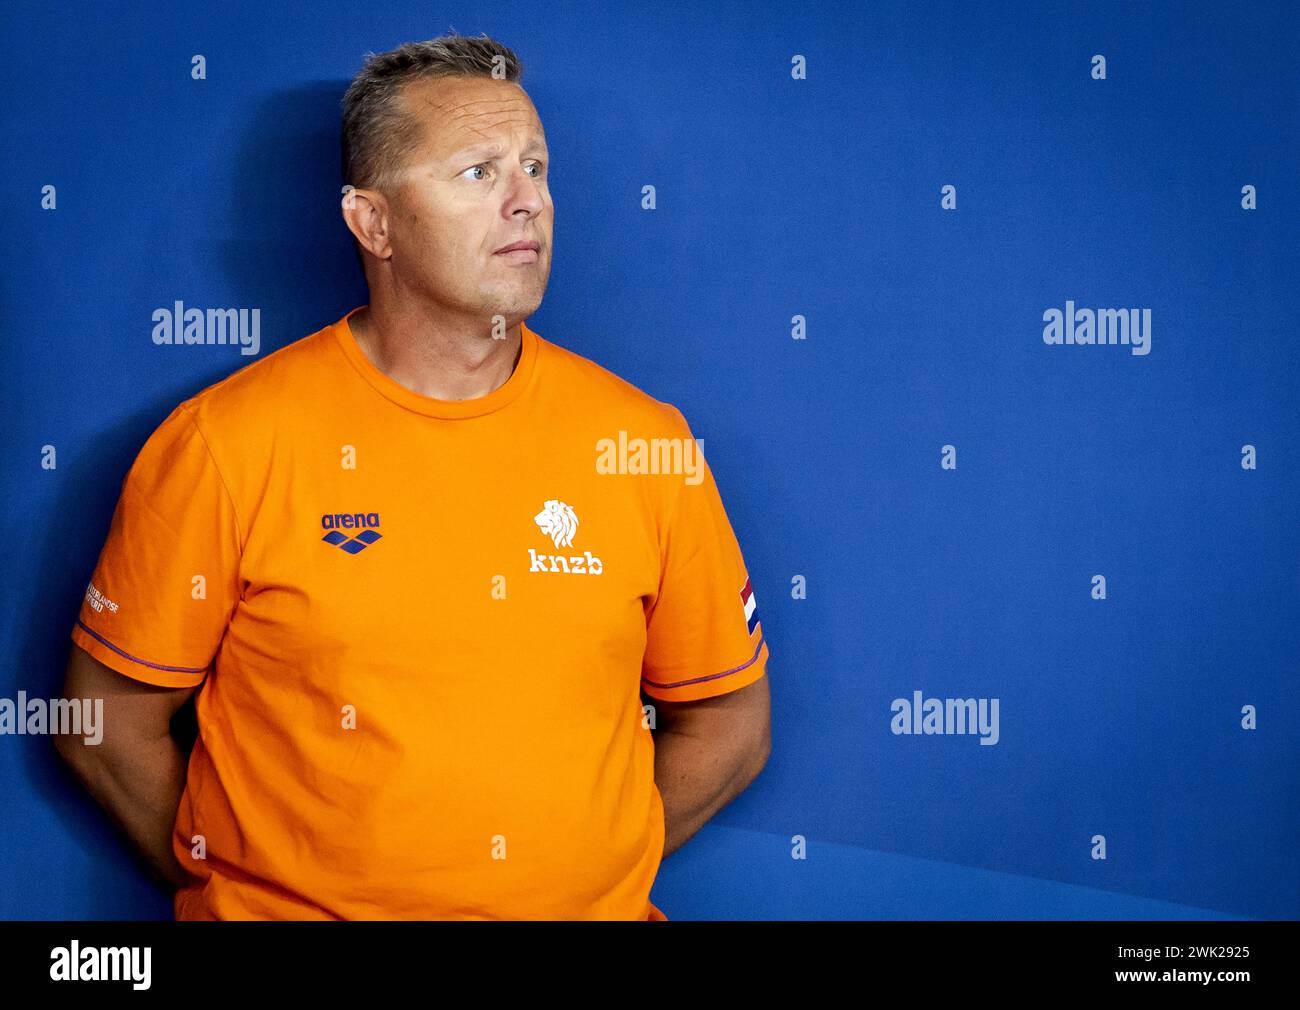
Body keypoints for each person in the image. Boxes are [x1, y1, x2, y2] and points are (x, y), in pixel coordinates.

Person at [54, 33, 770, 920]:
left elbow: (732, 726)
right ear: (373, 222)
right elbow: (103, 729)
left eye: (536, 168)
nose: (529, 204)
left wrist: (585, 879)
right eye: (478, 172)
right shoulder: (226, 443)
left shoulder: (644, 444)